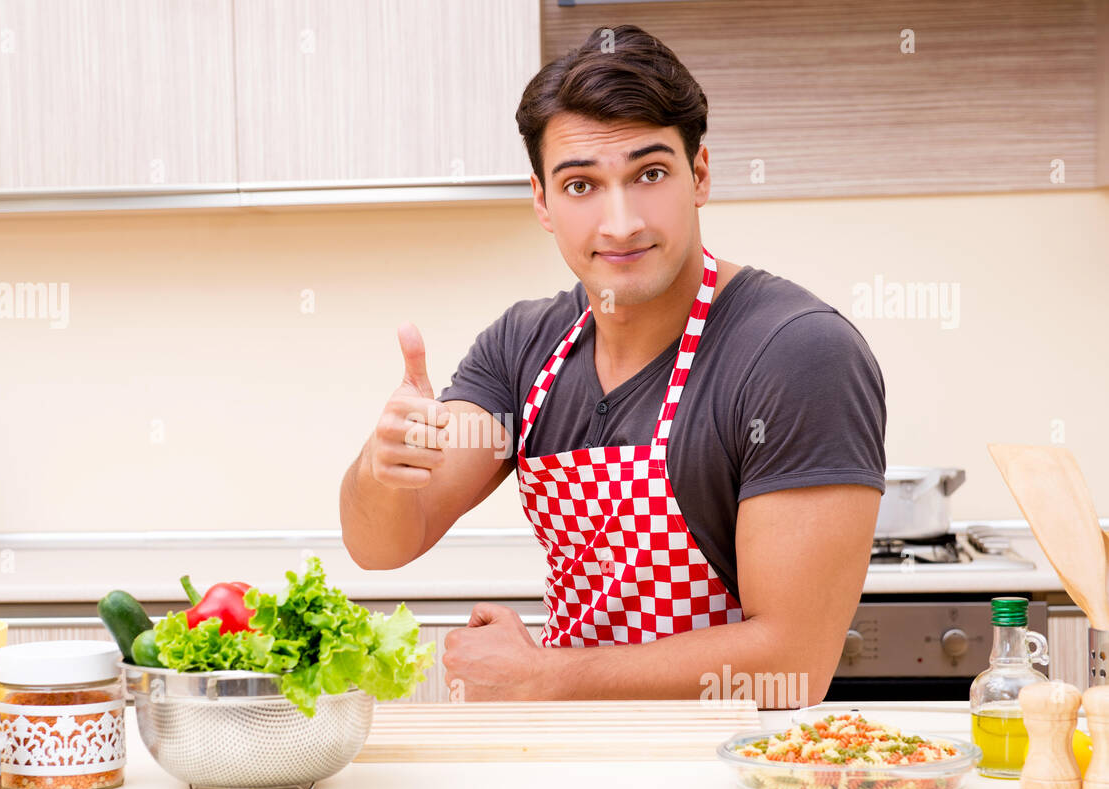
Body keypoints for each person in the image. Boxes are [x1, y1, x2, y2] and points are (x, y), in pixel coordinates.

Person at [339, 24, 886, 707]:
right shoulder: (523, 346)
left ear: (701, 174)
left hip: (730, 783)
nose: (620, 222)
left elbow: (792, 661)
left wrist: (545, 676)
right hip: (574, 766)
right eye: (581, 185)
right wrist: (382, 465)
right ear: (541, 201)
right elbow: (385, 543)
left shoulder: (798, 354)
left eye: (649, 173)